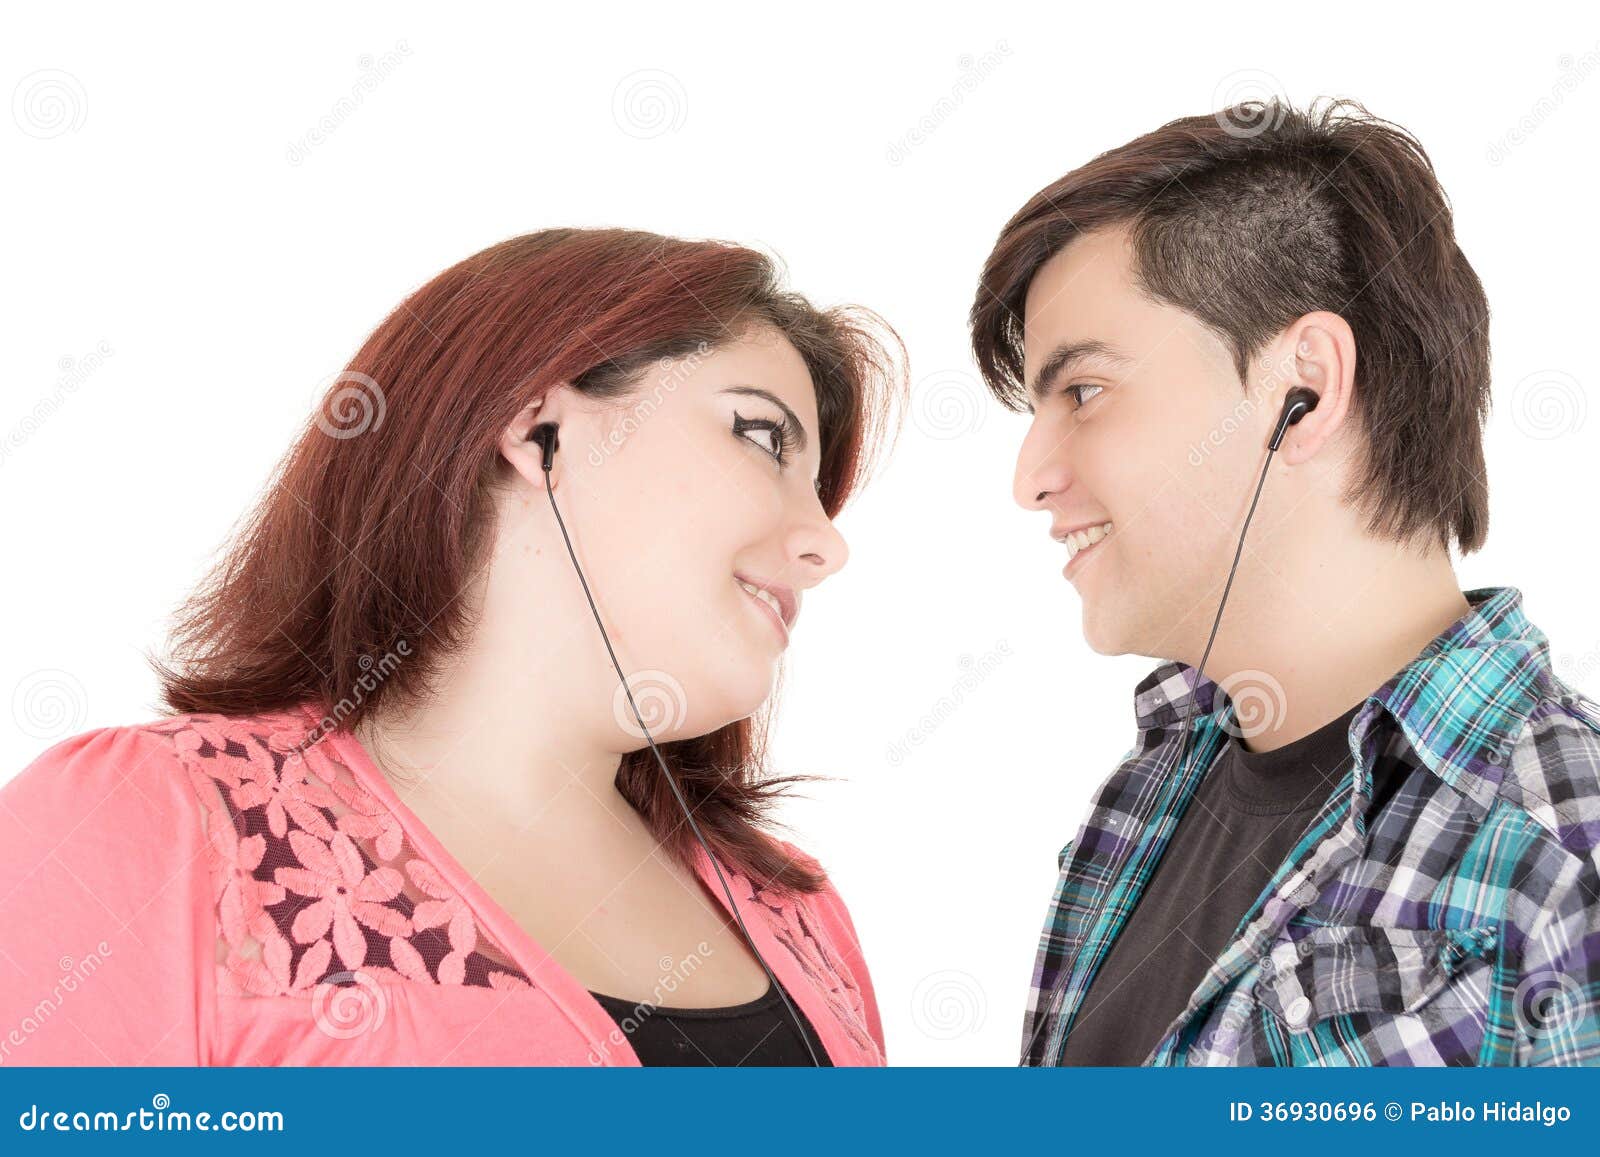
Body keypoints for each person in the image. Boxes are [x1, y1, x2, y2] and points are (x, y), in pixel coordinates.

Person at [0, 227, 902, 1066]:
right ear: (537, 426)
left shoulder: (801, 915)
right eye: (761, 436)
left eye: (822, 494)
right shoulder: (150, 823)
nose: (826, 542)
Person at [968, 98, 1600, 1066]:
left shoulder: (1560, 848)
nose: (1030, 476)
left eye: (1084, 391)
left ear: (1301, 387)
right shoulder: (1148, 791)